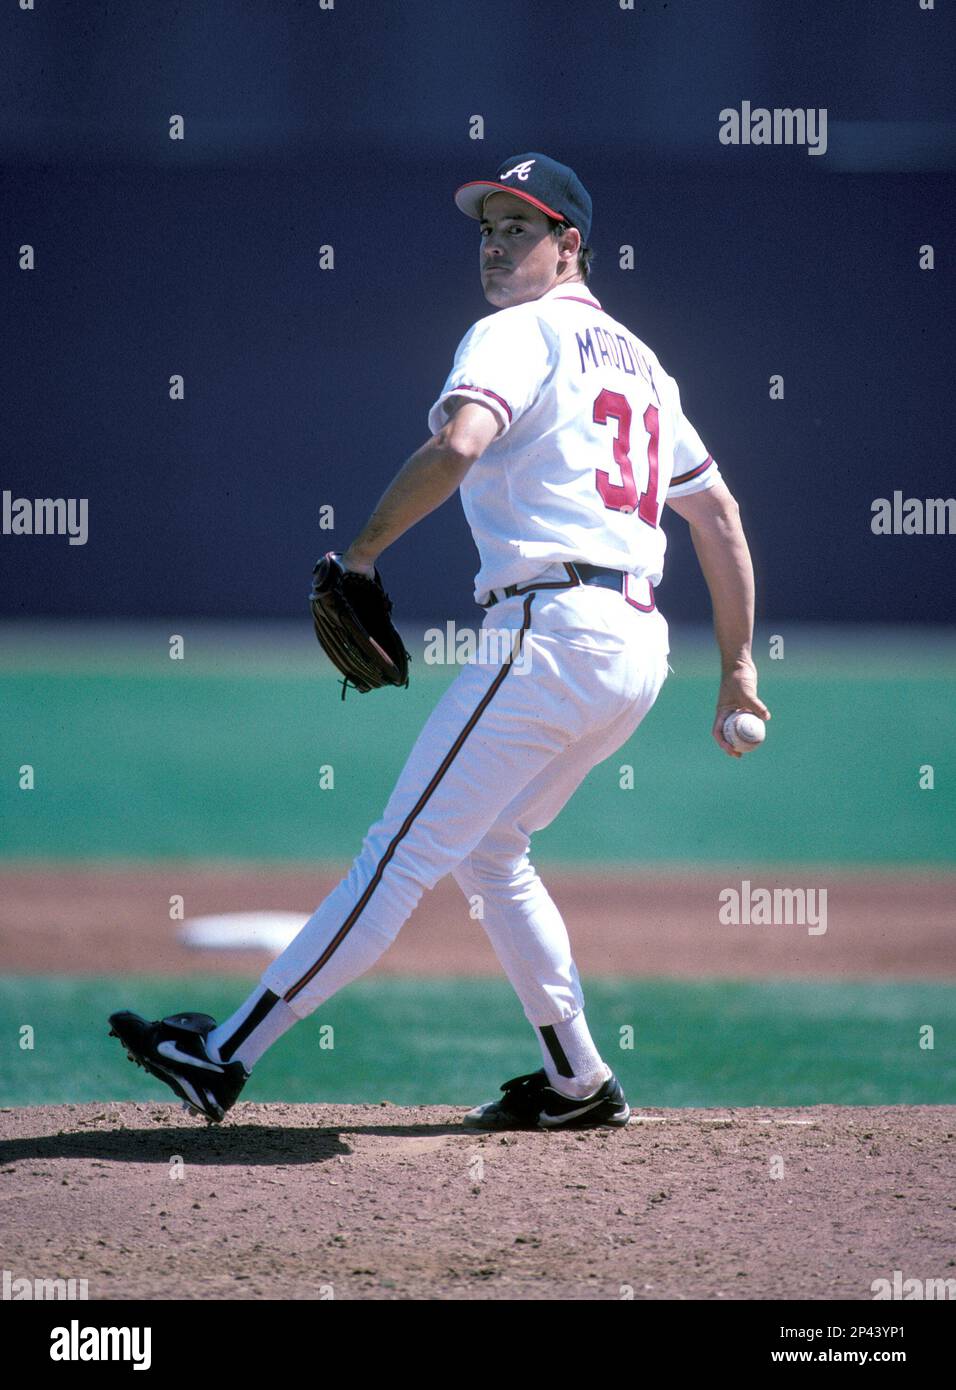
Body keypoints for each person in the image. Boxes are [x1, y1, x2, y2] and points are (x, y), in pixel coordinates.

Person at [109, 152, 770, 1131]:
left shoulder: (514, 332)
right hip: (633, 653)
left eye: (521, 227)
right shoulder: (641, 362)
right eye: (487, 228)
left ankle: (222, 1051)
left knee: (396, 855)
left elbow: (458, 443)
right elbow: (712, 514)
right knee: (493, 852)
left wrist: (364, 555)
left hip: (549, 634)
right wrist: (737, 673)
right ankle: (577, 1079)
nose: (497, 244)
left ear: (568, 244)